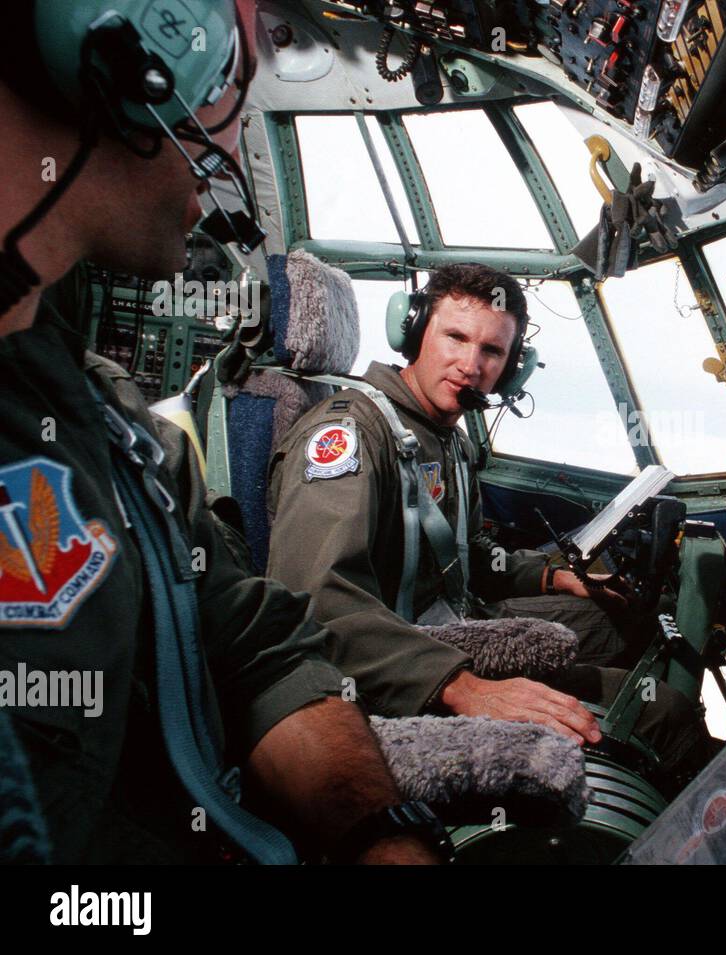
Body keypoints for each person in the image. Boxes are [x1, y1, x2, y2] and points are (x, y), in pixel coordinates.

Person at [0, 0, 441, 864]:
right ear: (140, 56)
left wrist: (384, 838)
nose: (236, 151)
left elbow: (251, 638)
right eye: (244, 89)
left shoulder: (115, 424)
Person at [265, 264, 713, 782]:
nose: (469, 365)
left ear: (511, 367)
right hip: (387, 667)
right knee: (668, 715)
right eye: (454, 337)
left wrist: (552, 576)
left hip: (448, 626)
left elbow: (463, 555)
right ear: (413, 334)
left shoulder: (447, 438)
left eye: (492, 351)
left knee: (632, 615)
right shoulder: (351, 434)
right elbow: (313, 601)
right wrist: (463, 686)